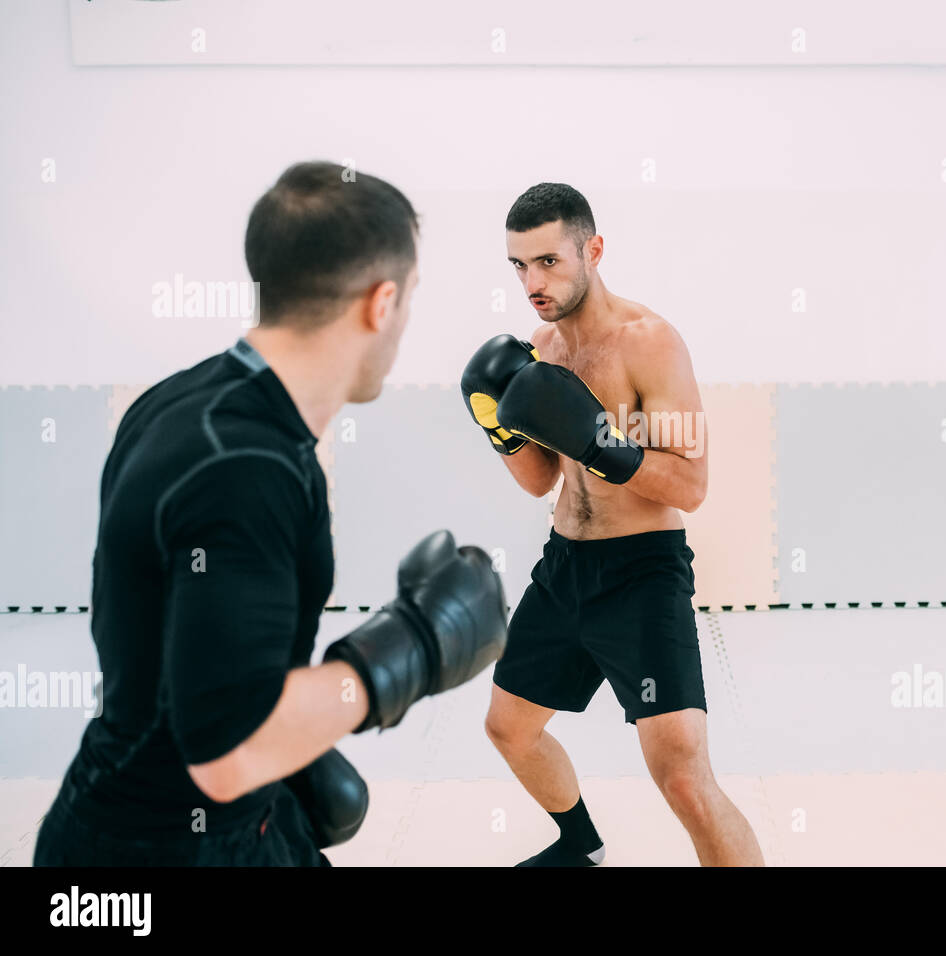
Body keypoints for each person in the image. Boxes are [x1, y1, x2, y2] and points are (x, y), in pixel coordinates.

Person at [34, 161, 507, 867]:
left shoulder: (180, 401)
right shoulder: (248, 472)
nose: (404, 320)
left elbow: (165, 640)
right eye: (410, 298)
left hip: (157, 819)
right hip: (163, 850)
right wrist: (414, 643)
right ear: (381, 304)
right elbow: (227, 753)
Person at [464, 183, 764, 866]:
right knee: (509, 728)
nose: (532, 282)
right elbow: (542, 479)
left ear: (592, 250)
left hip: (641, 574)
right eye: (518, 265)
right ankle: (580, 844)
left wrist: (603, 443)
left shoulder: (651, 344)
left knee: (683, 776)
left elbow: (692, 485)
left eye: (548, 262)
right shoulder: (541, 347)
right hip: (564, 568)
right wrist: (500, 431)